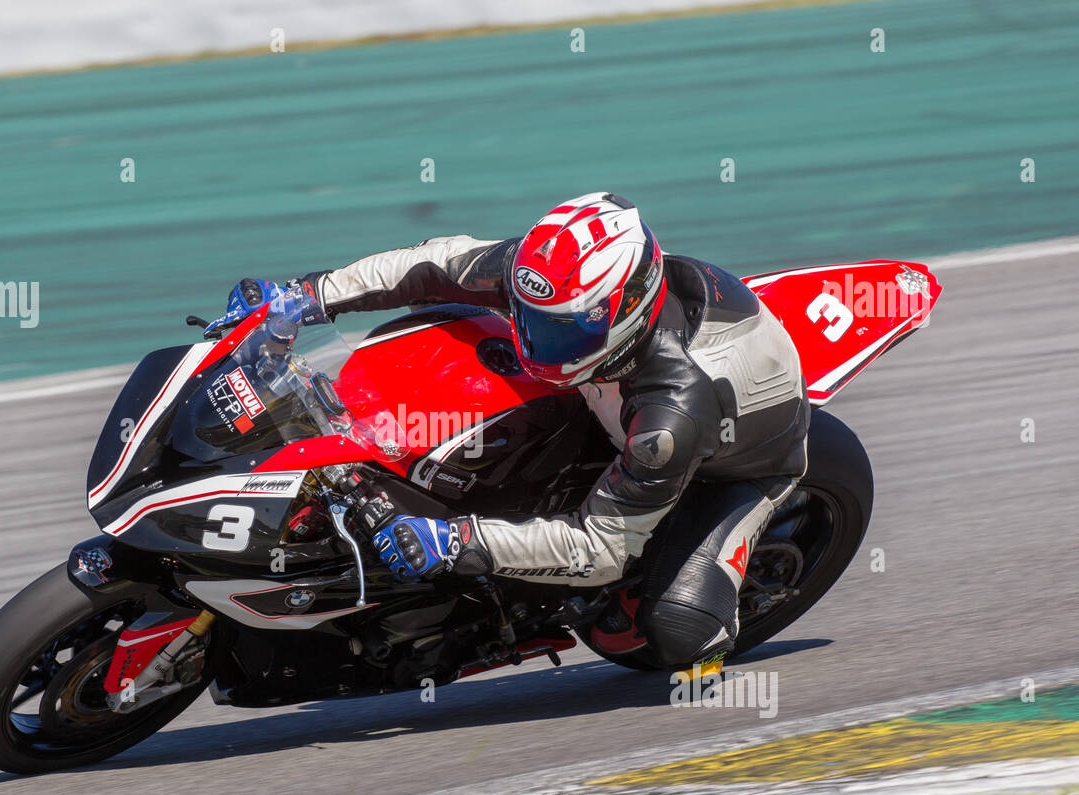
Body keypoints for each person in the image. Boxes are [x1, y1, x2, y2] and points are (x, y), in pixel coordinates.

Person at [284, 192, 810, 673]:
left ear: (625, 311)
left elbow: (603, 549)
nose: (535, 340)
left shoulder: (671, 416)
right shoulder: (559, 283)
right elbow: (434, 264)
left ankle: (712, 603)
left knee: (680, 636)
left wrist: (455, 540)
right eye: (528, 315)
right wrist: (309, 294)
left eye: (560, 329)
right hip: (606, 392)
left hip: (733, 467)